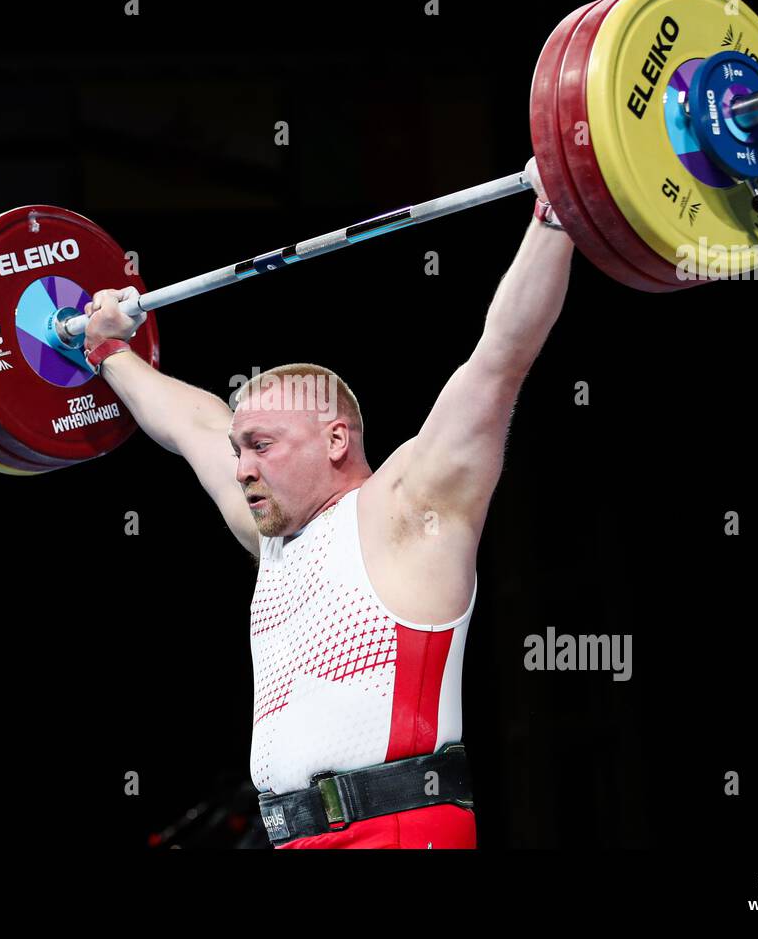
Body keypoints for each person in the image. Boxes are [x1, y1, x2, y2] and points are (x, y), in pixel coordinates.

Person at [82, 159, 570, 848]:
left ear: (336, 437)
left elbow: (499, 359)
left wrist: (558, 213)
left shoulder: (407, 511)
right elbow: (189, 424)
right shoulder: (275, 541)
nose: (241, 468)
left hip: (398, 832)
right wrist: (108, 351)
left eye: (260, 444)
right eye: (238, 449)